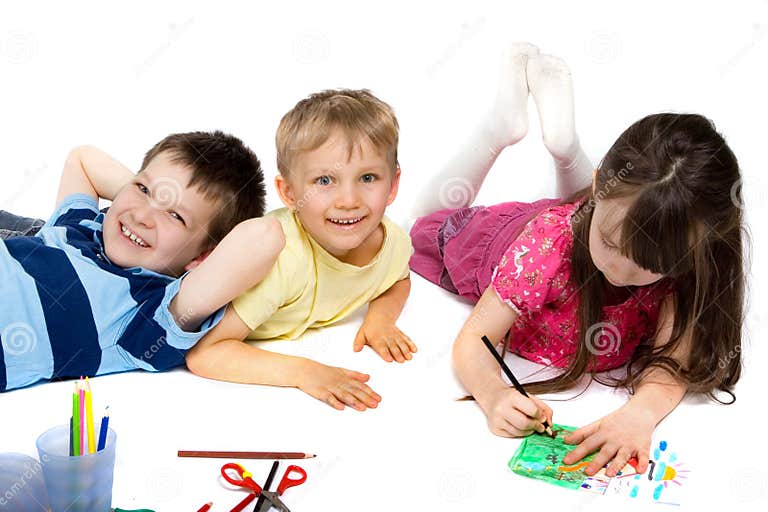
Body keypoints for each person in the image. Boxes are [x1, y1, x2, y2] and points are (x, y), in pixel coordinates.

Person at [409, 44, 745, 477]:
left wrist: (639, 415)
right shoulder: (544, 250)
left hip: (585, 213)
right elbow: (474, 339)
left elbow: (672, 364)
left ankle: (566, 150)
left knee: (603, 216)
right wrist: (492, 394)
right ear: (596, 186)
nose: (621, 272)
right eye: (611, 244)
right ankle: (500, 130)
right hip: (507, 241)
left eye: (647, 264)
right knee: (424, 221)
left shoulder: (680, 258)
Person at [185, 89, 415, 412]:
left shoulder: (393, 241)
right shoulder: (282, 260)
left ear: (392, 184)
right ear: (289, 192)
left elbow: (398, 278)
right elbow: (205, 353)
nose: (348, 200)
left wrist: (381, 320)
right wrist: (304, 372)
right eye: (324, 180)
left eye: (367, 177)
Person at [0, 131, 284, 391]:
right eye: (143, 188)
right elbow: (82, 158)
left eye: (176, 216)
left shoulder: (147, 315)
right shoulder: (87, 225)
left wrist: (149, 193)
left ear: (202, 257)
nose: (141, 217)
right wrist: (147, 195)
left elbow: (264, 236)